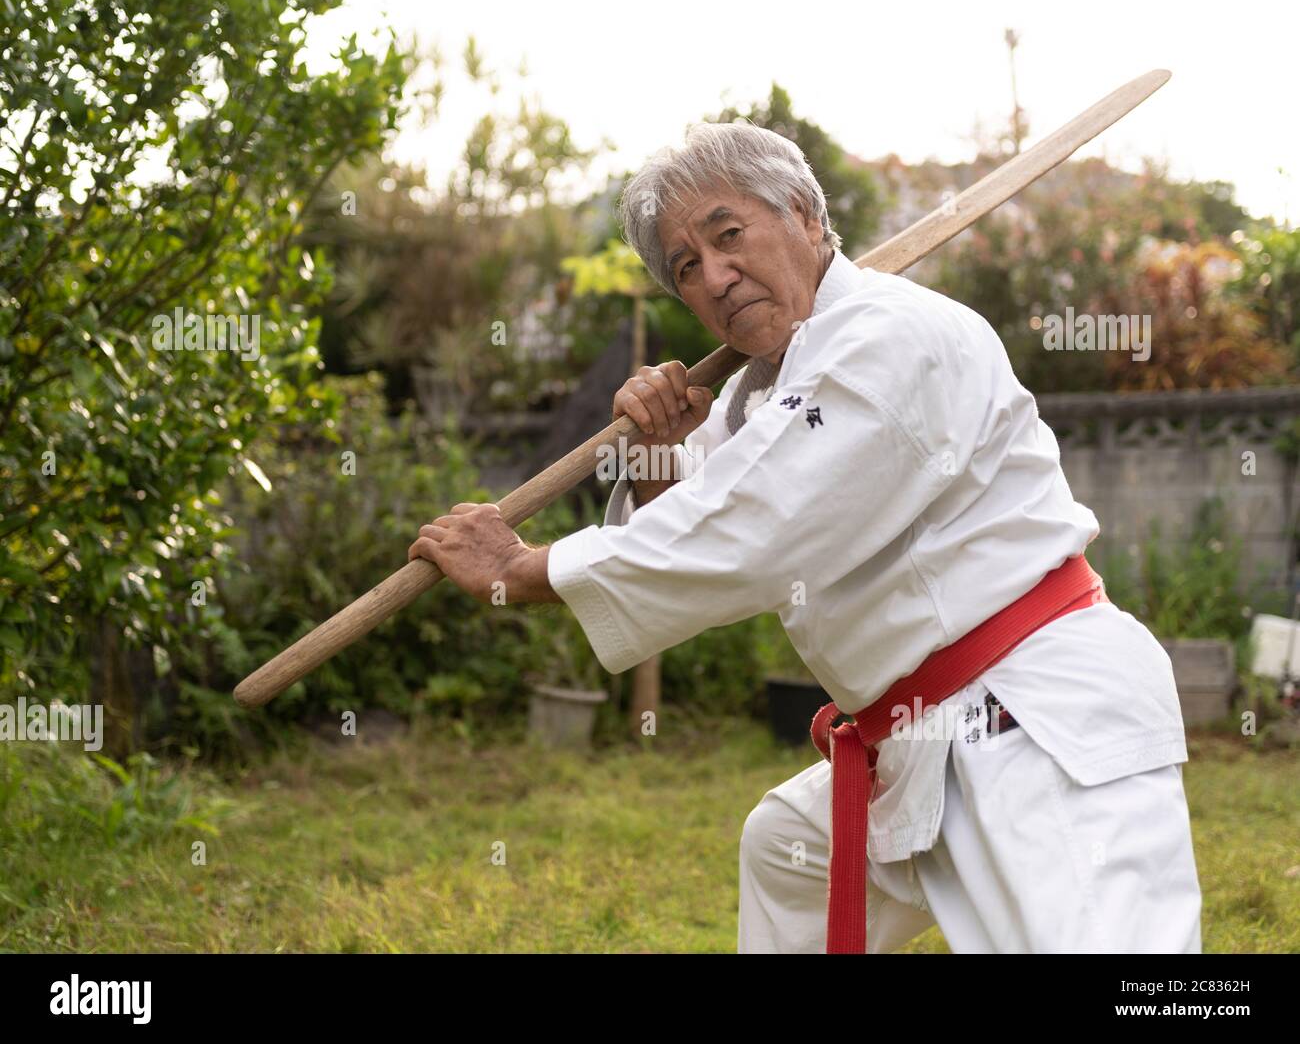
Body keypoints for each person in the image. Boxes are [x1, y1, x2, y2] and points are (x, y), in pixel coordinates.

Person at [408, 121, 1201, 954]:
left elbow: (753, 532)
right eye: (687, 267)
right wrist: (653, 454)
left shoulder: (889, 339)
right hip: (921, 735)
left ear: (806, 215)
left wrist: (525, 568)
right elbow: (700, 510)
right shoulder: (766, 393)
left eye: (727, 235)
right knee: (790, 851)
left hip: (1036, 720)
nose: (715, 276)